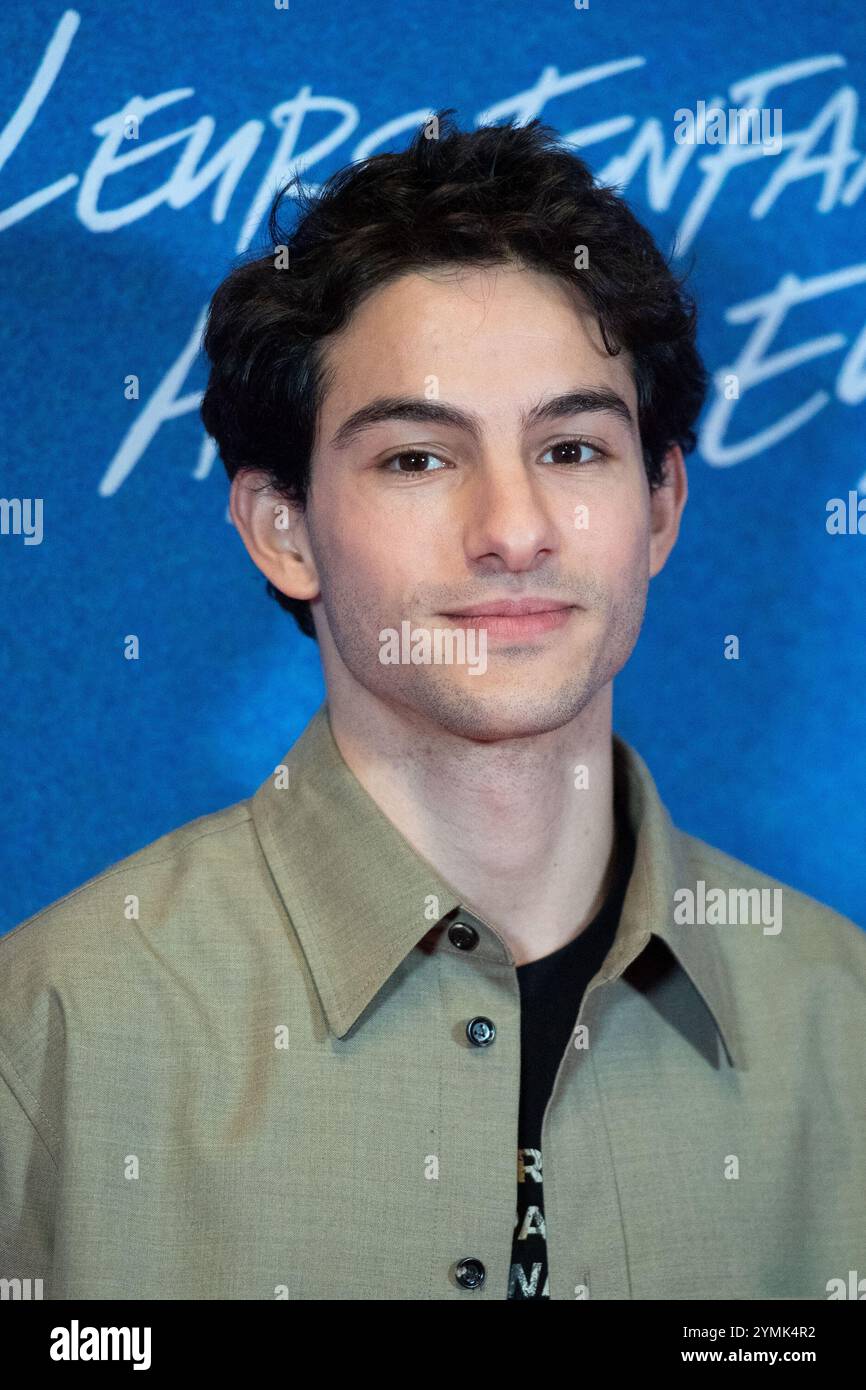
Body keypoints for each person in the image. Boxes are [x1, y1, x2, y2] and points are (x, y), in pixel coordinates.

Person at [2, 109, 864, 1302]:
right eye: (417, 456)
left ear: (658, 506)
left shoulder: (845, 1029)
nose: (511, 529)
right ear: (283, 528)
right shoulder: (50, 1036)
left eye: (571, 449)